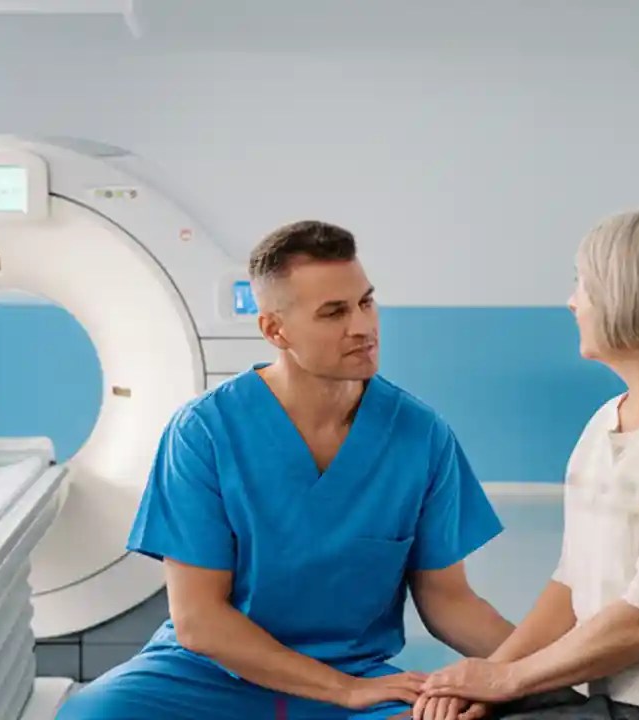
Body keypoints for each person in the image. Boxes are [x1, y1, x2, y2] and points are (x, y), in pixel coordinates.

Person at [56, 220, 514, 719]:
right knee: (89, 715)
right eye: (334, 312)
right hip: (208, 675)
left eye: (365, 302)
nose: (362, 326)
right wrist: (341, 690)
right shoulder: (205, 432)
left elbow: (449, 601)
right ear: (275, 329)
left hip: (358, 674)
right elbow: (199, 621)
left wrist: (540, 669)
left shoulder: (421, 436)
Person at [413, 208, 639, 720]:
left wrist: (506, 679)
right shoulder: (606, 421)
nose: (571, 302)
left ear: (628, 292)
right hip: (601, 694)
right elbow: (572, 585)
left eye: (582, 285)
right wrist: (484, 679)